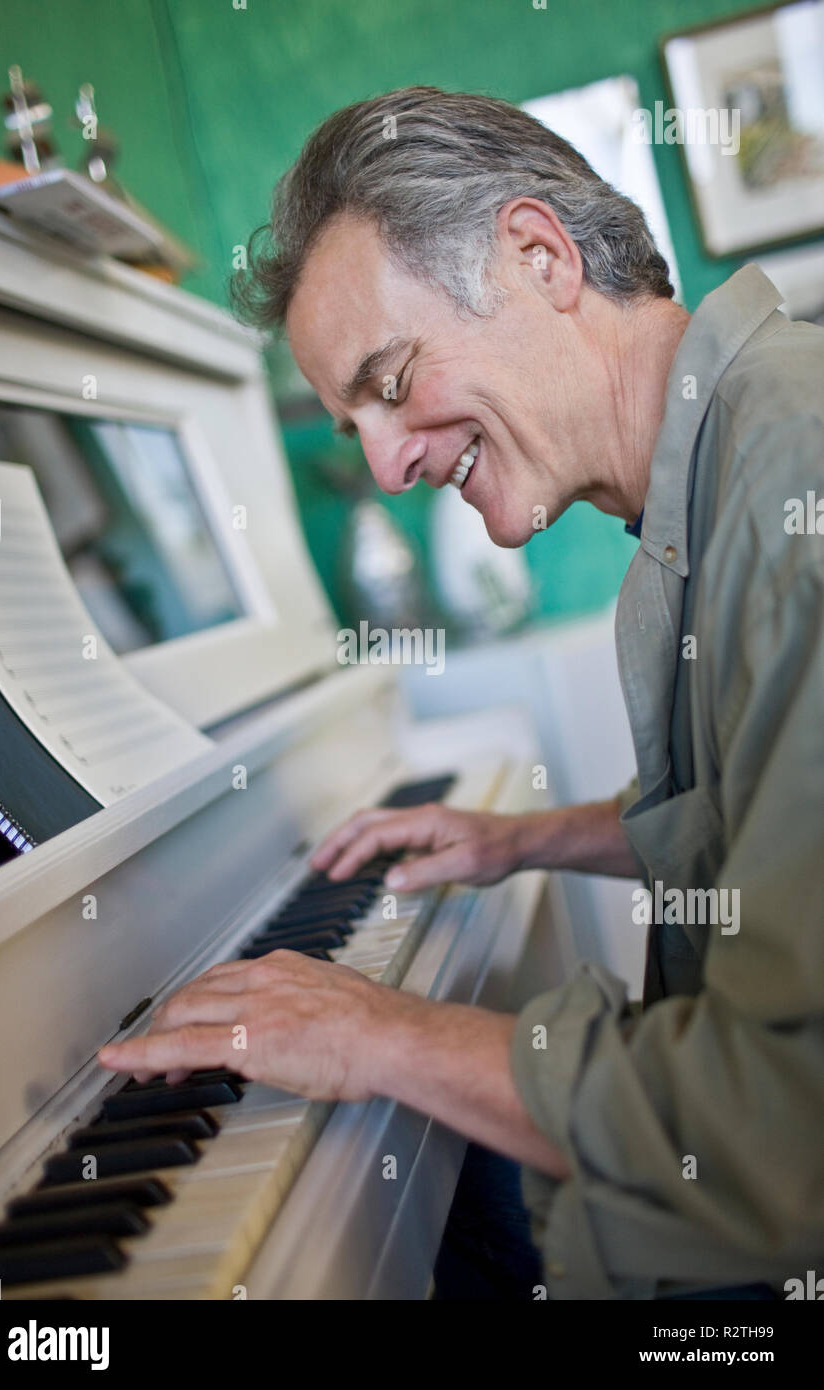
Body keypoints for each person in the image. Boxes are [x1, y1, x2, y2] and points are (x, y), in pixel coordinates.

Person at [100, 88, 824, 1300]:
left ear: (537, 257)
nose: (384, 467)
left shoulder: (793, 481)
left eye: (389, 381)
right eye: (350, 420)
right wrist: (527, 836)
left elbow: (780, 1124)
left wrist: (377, 1029)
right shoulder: (716, 470)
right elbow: (761, 822)